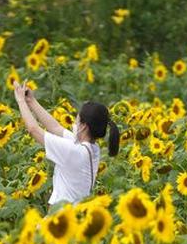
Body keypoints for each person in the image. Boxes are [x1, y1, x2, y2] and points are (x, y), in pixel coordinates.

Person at [12, 80, 119, 209]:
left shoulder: (75, 152)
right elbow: (55, 127)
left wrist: (20, 101)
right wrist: (31, 101)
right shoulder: (90, 148)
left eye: (77, 119)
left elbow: (33, 129)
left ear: (84, 127)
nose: (75, 122)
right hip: (72, 216)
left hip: (60, 218)